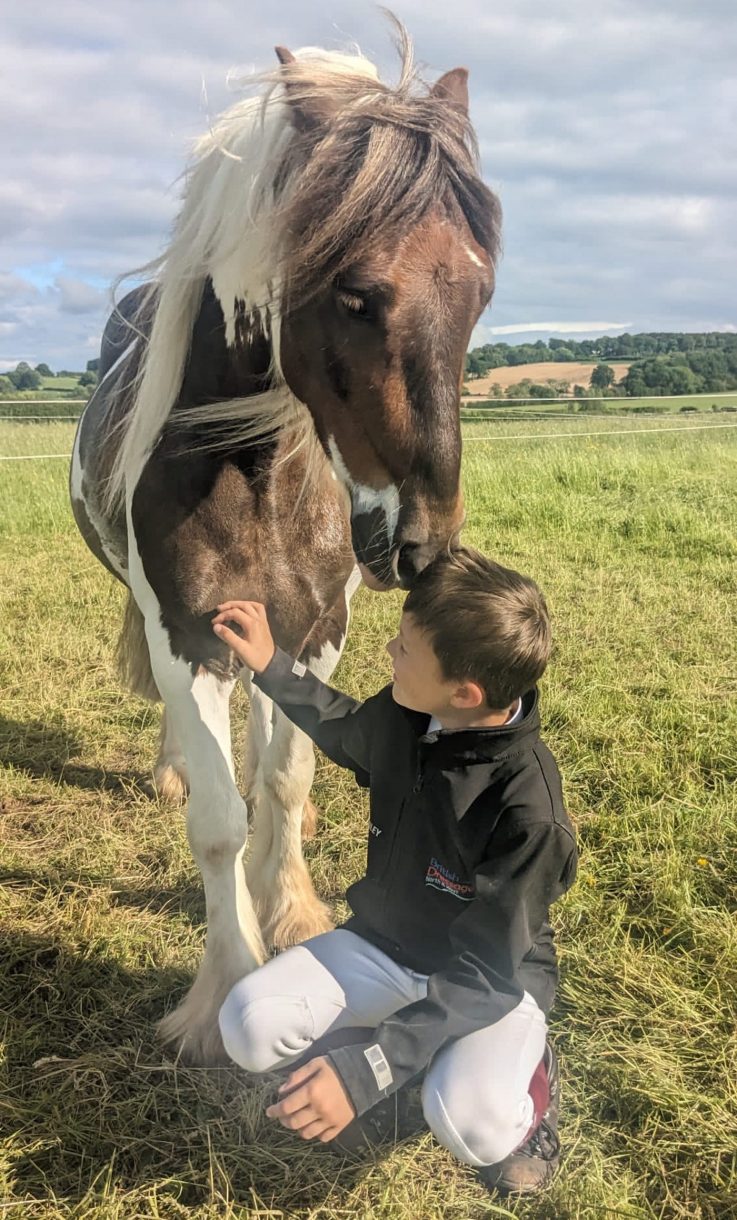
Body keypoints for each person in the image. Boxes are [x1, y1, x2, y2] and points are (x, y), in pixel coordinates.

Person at [213, 547, 577, 1196]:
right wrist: (270, 663)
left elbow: (485, 969)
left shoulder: (531, 814)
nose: (388, 649)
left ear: (463, 693)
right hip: (385, 947)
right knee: (247, 1025)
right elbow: (346, 730)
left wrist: (368, 1072)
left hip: (486, 983)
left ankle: (527, 1081)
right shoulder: (412, 714)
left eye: (405, 647)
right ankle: (403, 1050)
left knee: (473, 1125)